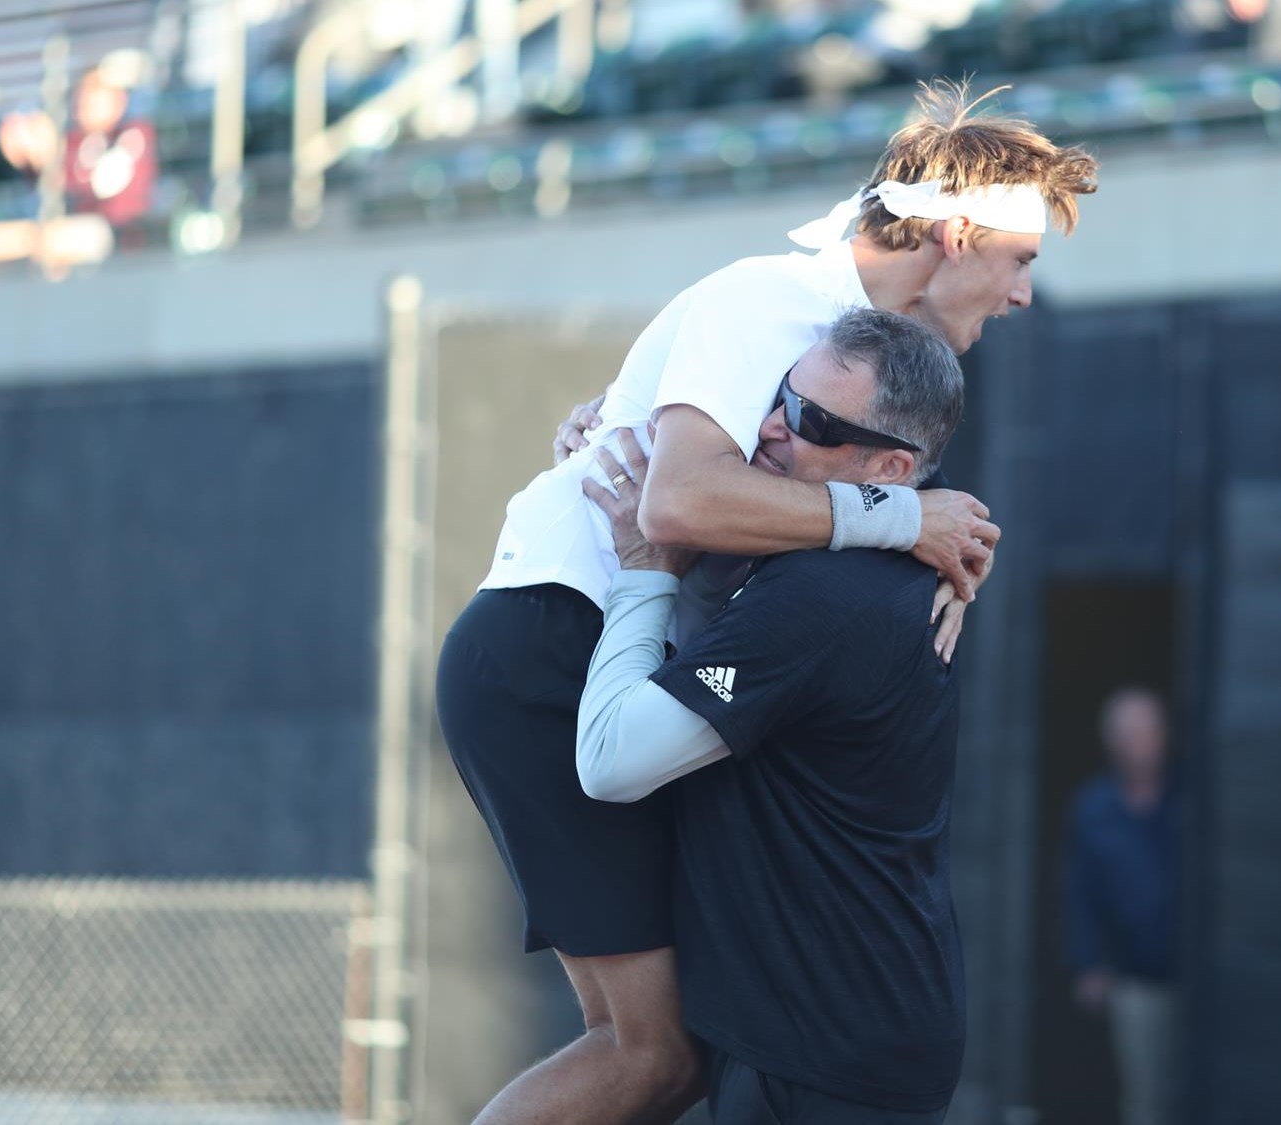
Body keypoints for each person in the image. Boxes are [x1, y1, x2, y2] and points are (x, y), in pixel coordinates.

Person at [436, 81, 1097, 1125]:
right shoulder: (770, 301)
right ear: (959, 233)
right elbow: (679, 497)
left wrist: (920, 538)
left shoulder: (827, 331)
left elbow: (706, 493)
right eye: (1020, 261)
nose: (1021, 294)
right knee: (647, 1052)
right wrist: (898, 522)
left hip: (612, 636)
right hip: (548, 646)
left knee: (680, 1048)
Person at [575, 308, 970, 1124]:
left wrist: (645, 571)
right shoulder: (837, 566)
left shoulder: (826, 598)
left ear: (893, 468)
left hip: (825, 1059)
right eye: (780, 395)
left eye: (812, 421)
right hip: (831, 1037)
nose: (769, 427)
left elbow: (610, 759)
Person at [1065, 687, 1182, 1125]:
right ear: (1111, 742)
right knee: (1143, 1096)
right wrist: (1089, 962)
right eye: (1128, 734)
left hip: (1198, 980)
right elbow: (1079, 890)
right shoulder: (1094, 808)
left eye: (1147, 731)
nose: (1139, 743)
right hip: (1132, 977)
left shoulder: (1192, 799)